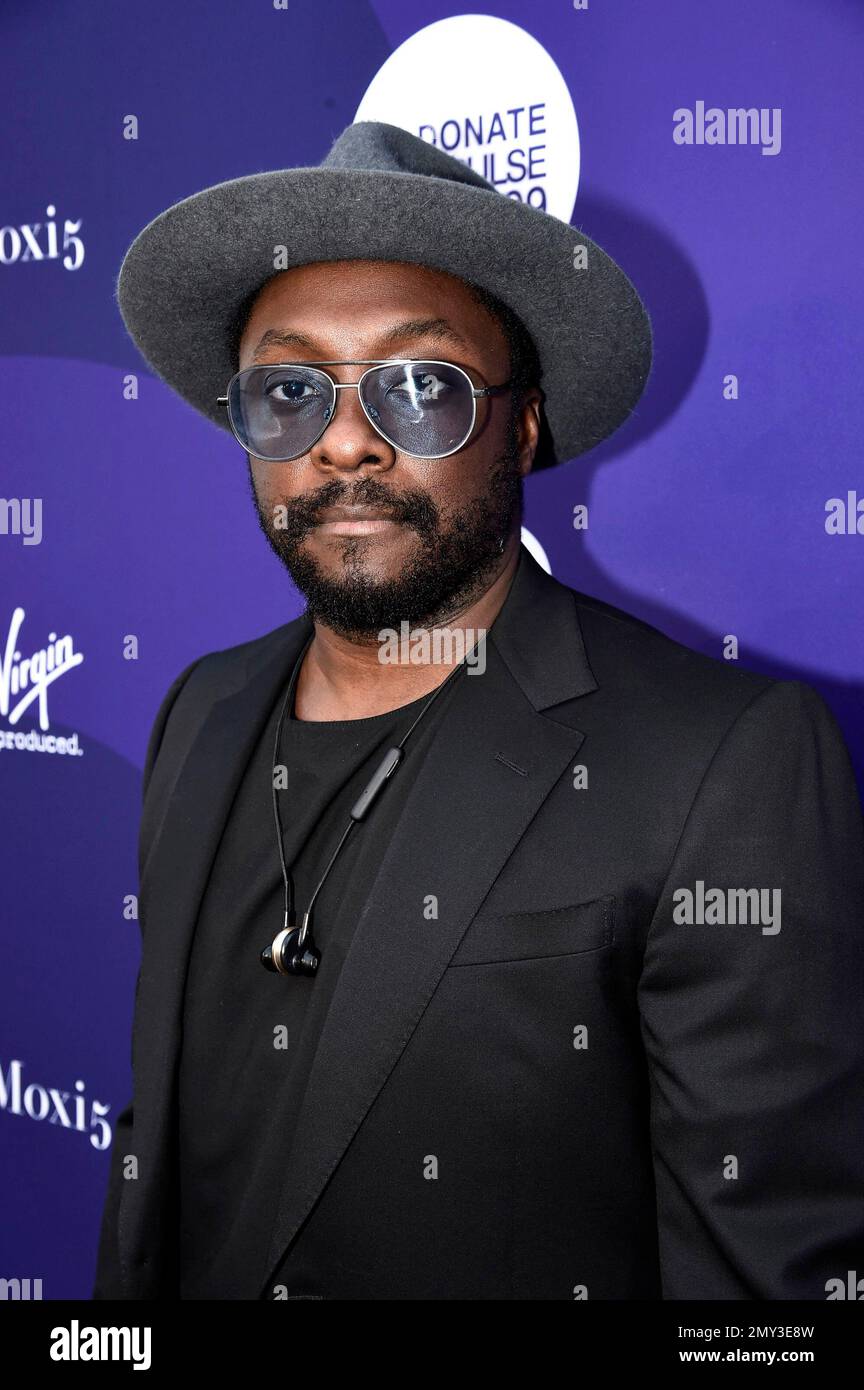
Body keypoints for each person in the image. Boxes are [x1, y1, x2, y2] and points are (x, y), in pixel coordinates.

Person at [93, 121, 864, 1301]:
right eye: (289, 389)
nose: (344, 439)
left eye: (418, 386)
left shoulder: (722, 761)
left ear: (525, 420)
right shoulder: (199, 710)